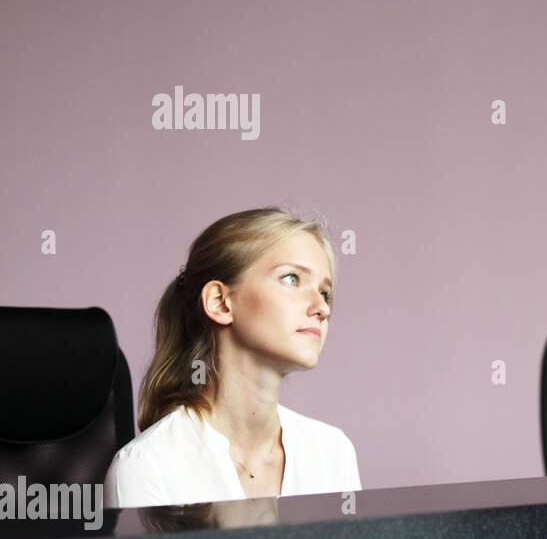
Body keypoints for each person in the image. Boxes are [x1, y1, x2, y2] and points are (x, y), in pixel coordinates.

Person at [104, 208, 362, 508]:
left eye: (325, 293)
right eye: (292, 279)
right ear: (220, 303)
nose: (322, 308)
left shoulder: (334, 453)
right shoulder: (146, 468)